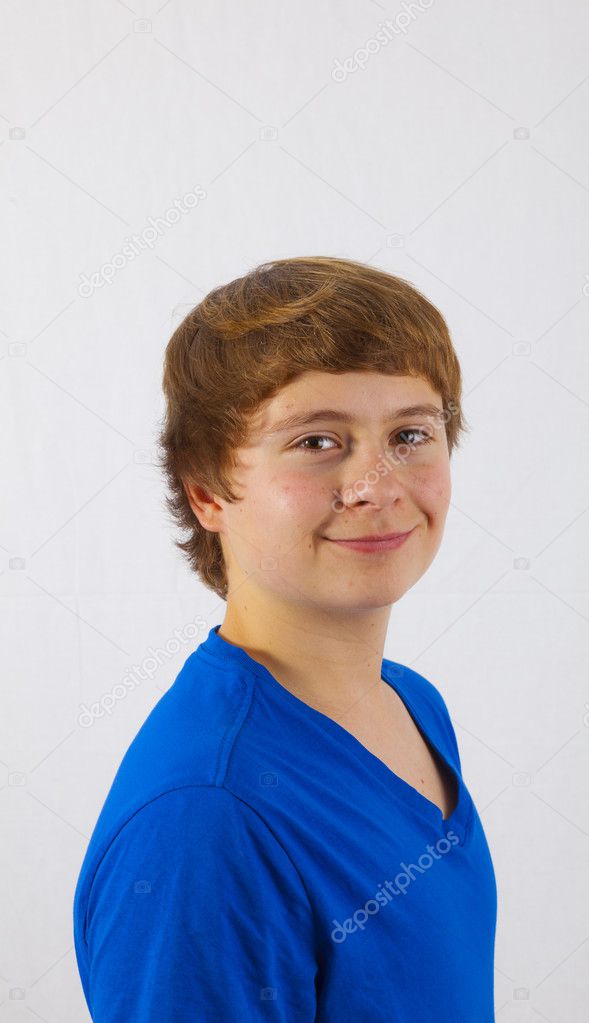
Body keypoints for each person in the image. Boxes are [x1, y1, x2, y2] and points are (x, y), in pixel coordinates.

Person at [72, 256, 497, 1021]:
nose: (377, 485)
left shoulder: (410, 702)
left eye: (410, 433)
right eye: (317, 441)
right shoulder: (206, 823)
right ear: (206, 491)